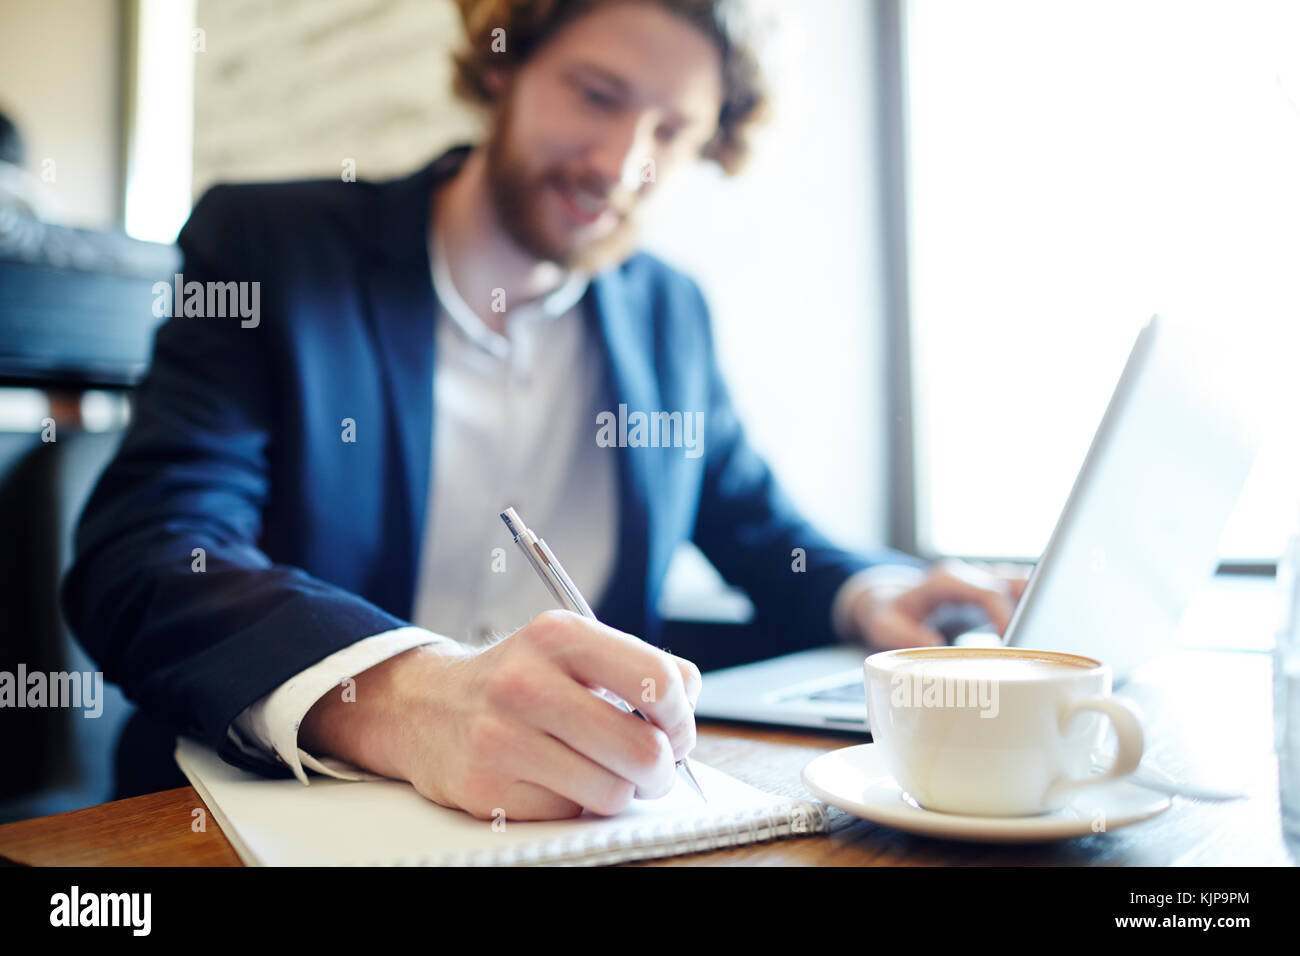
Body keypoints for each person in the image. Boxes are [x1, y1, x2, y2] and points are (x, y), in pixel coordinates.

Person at [62, 0, 1026, 821]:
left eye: (672, 132)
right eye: (597, 96)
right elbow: (147, 552)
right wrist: (402, 695)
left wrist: (871, 592)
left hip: (577, 823)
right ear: (505, 65)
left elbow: (758, 526)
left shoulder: (667, 313)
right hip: (262, 818)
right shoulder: (272, 246)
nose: (620, 162)